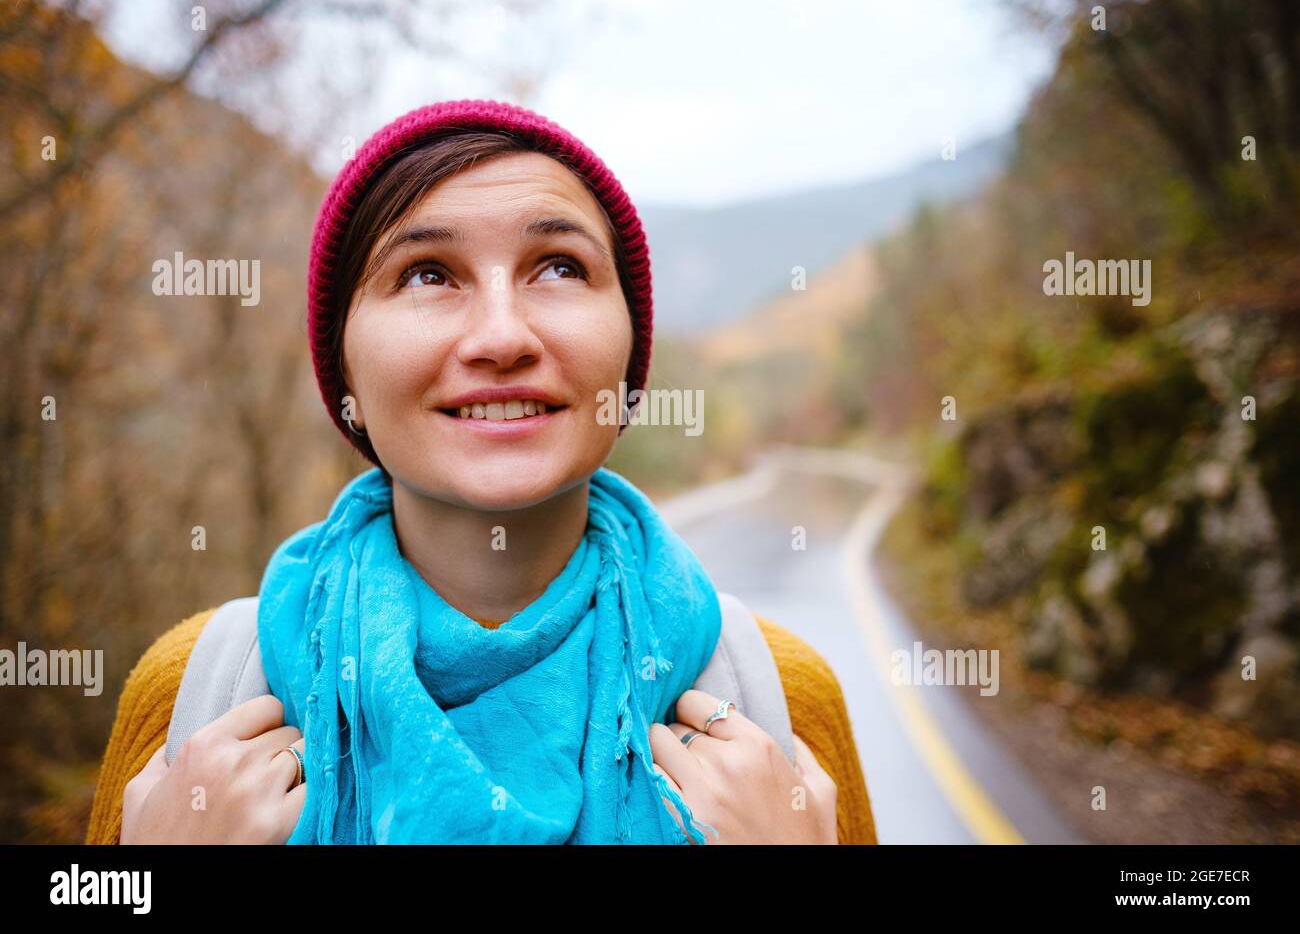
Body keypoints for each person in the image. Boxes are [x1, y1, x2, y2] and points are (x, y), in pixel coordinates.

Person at [84, 99, 877, 845]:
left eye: (559, 267)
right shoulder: (192, 694)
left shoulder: (785, 698)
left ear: (630, 349)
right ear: (346, 368)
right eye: (428, 274)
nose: (501, 336)